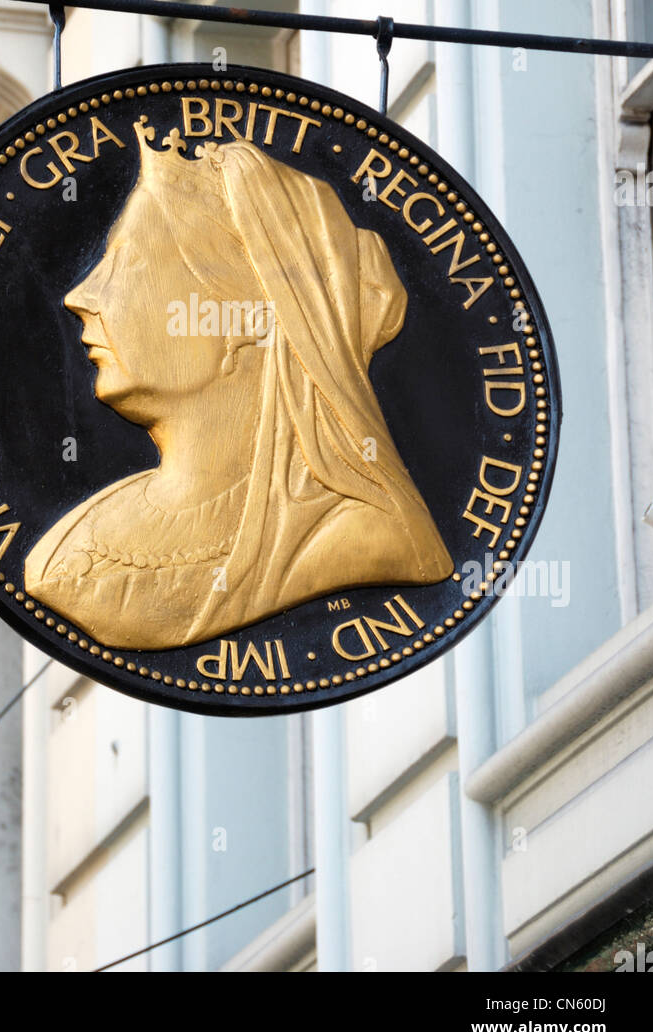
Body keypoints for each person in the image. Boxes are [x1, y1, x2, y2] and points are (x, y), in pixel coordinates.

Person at [24, 121, 452, 649]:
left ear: (244, 318)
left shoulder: (365, 540)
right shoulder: (74, 542)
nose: (79, 295)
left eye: (124, 264)